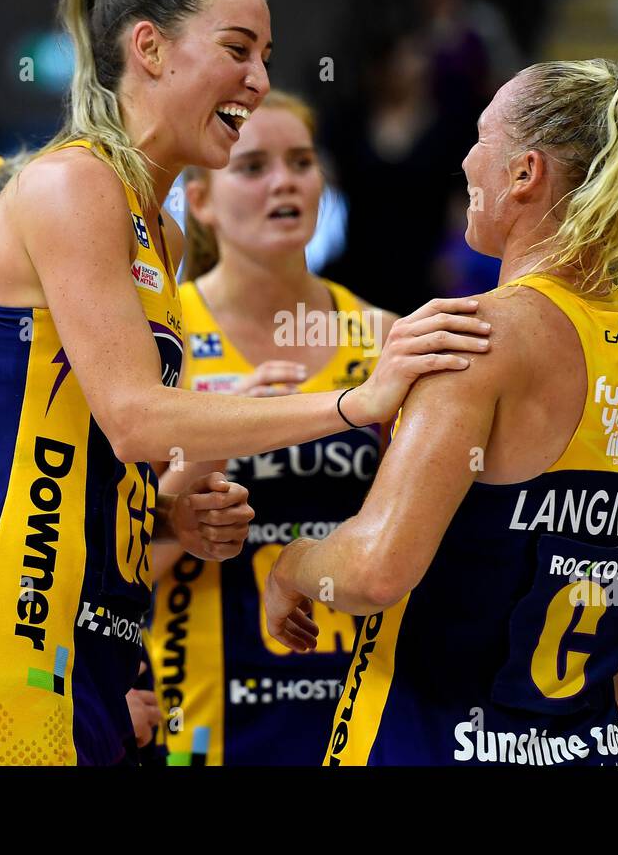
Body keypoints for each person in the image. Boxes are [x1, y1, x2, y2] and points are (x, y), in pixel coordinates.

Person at [0, 0, 489, 767]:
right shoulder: (73, 183)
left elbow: (98, 443)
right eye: (238, 51)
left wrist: (164, 513)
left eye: (266, 57)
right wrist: (351, 402)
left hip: (94, 651)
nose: (260, 80)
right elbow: (131, 418)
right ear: (149, 48)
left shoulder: (157, 227)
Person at [263, 59, 618, 766]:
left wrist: (290, 564)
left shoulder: (475, 338)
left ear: (524, 173)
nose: (468, 160)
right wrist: (555, 726)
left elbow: (376, 573)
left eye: (482, 138)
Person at [146, 90, 397, 765]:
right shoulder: (158, 340)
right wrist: (215, 439)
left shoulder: (385, 340)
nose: (285, 181)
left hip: (360, 704)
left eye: (302, 162)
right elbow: (117, 558)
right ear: (198, 200)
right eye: (252, 166)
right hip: (199, 714)